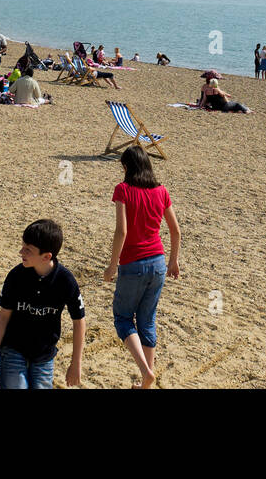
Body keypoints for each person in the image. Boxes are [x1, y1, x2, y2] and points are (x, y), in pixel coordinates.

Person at [104, 146, 180, 389]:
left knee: (123, 318)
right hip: (158, 262)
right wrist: (173, 261)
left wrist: (112, 266)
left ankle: (146, 372)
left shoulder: (123, 190)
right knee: (147, 320)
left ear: (126, 167)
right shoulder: (161, 191)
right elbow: (176, 230)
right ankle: (146, 381)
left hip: (133, 263)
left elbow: (121, 231)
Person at [0, 219, 84, 389]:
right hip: (13, 349)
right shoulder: (16, 276)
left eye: (28, 250)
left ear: (46, 256)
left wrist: (76, 364)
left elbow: (79, 322)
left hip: (44, 356)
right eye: (22, 246)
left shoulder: (66, 281)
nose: (21, 252)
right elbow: (3, 316)